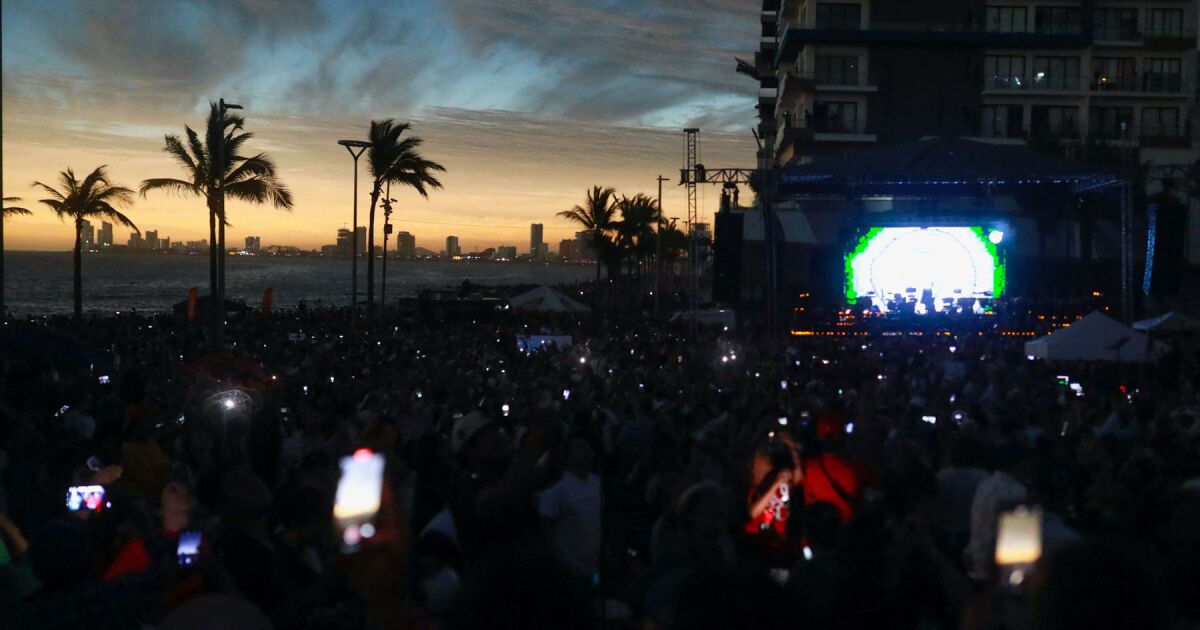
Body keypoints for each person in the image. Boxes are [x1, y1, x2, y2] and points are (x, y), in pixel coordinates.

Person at [539, 438, 602, 582]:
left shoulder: (597, 482)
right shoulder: (556, 490)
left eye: (588, 446)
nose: (586, 450)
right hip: (572, 571)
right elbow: (545, 529)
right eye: (579, 447)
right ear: (567, 457)